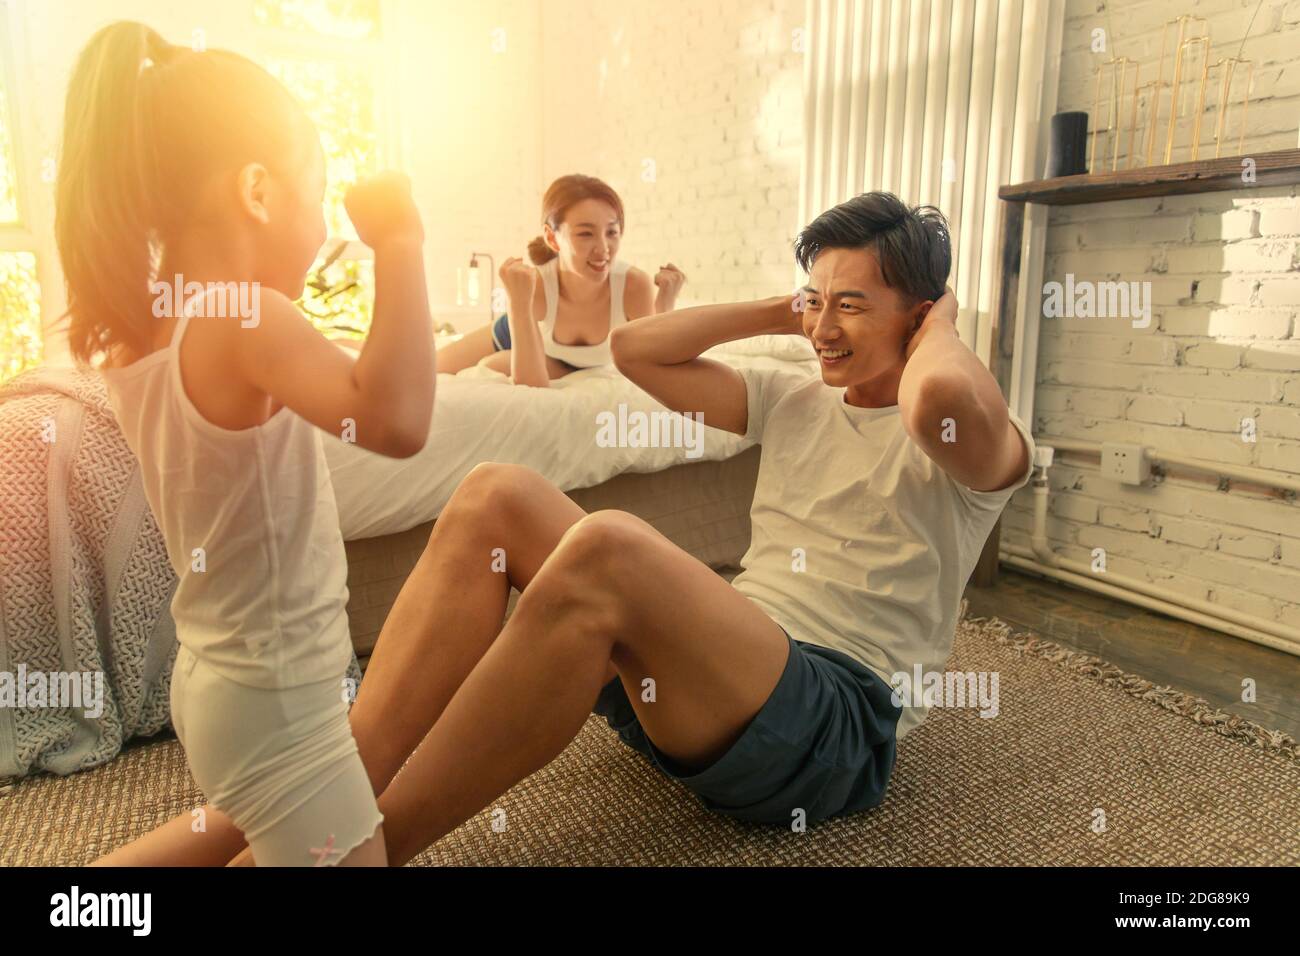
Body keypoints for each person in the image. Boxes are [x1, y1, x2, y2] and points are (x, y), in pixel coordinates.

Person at [97, 191, 1031, 867]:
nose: (822, 327)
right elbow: (636, 349)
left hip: (832, 729)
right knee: (496, 492)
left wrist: (938, 323)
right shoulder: (788, 394)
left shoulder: (967, 442)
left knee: (608, 546)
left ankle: (376, 851)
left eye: (852, 306)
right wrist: (794, 311)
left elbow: (937, 395)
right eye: (813, 300)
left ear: (919, 316)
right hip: (709, 687)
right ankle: (344, 788)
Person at [65, 22, 433, 866]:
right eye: (316, 191)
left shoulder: (143, 332)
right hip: (276, 697)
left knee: (240, 830)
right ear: (259, 191)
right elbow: (398, 418)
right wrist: (401, 241)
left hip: (221, 679)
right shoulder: (243, 316)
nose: (320, 221)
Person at [435, 174, 686, 385]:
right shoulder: (538, 286)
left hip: (553, 359)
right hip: (519, 328)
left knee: (495, 365)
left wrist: (666, 303)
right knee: (434, 366)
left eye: (612, 232)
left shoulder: (633, 285)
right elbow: (532, 389)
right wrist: (518, 306)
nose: (603, 248)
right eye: (586, 234)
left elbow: (656, 363)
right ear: (552, 238)